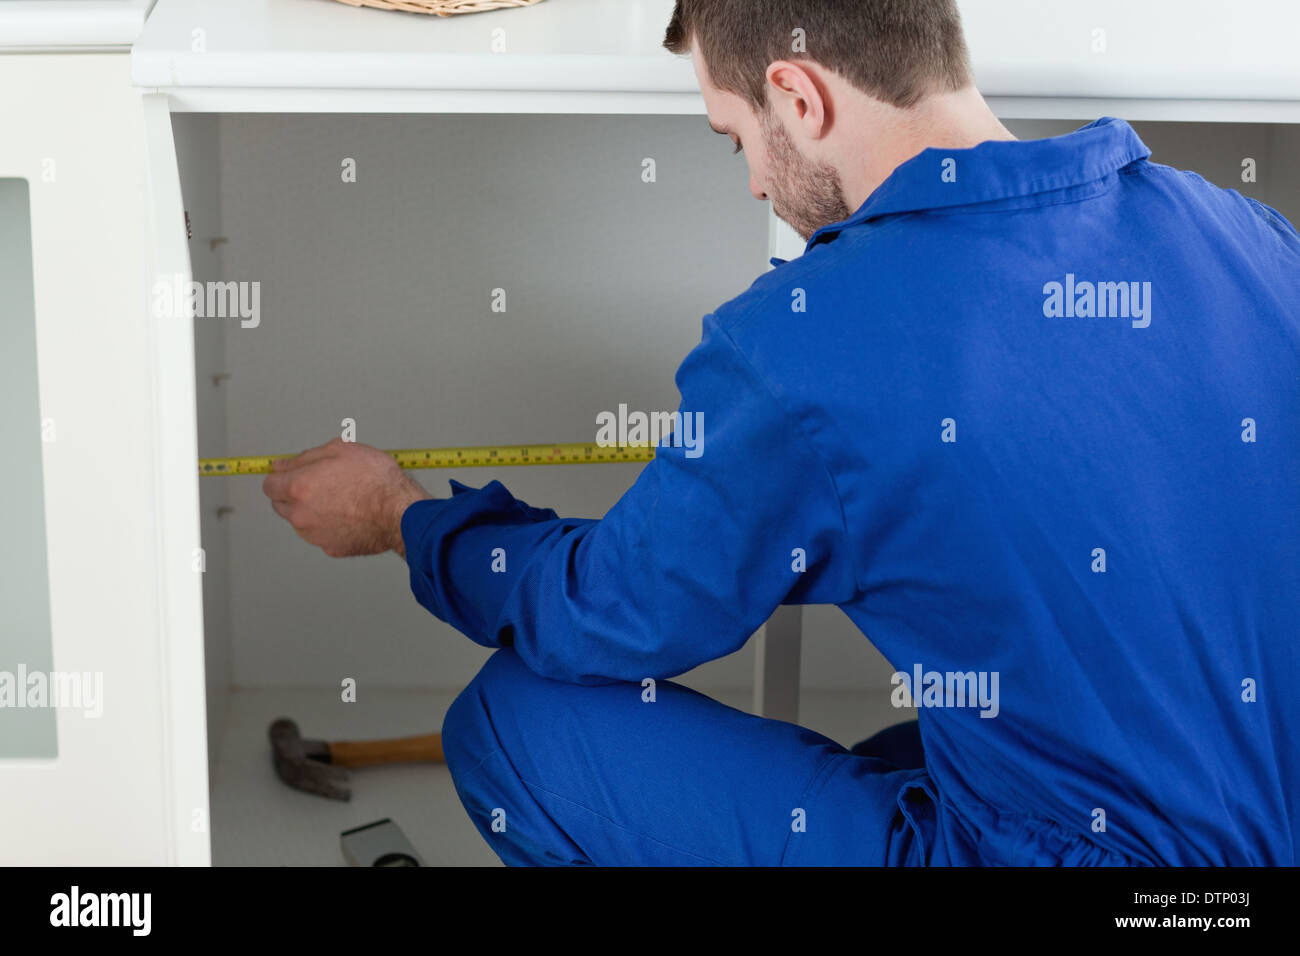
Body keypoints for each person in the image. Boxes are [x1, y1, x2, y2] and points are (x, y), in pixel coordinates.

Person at [261, 0, 1299, 866]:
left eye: (735, 136)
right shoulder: (1241, 232)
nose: (755, 180)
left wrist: (402, 518)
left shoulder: (814, 343)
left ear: (799, 97)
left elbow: (603, 612)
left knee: (511, 721)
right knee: (910, 746)